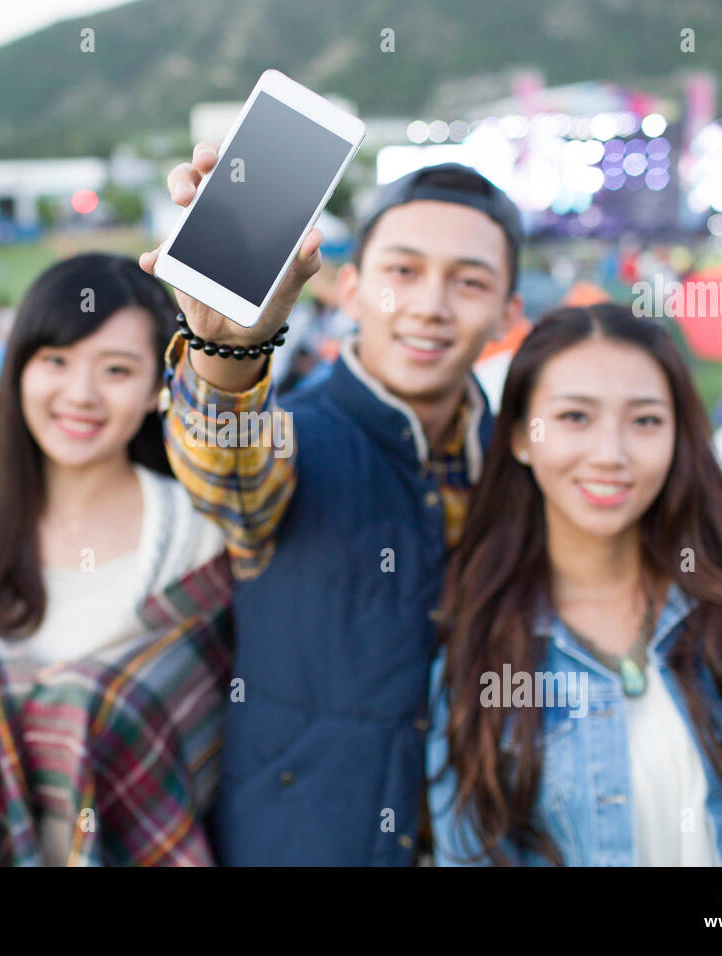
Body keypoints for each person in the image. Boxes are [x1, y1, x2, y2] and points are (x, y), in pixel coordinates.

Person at [139, 146, 525, 864]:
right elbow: (228, 468)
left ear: (509, 312)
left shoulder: (527, 463)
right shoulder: (296, 435)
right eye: (402, 272)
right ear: (348, 288)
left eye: (469, 282)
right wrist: (229, 348)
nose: (430, 306)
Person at [427, 303, 722, 865]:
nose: (611, 455)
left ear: (678, 434)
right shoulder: (477, 615)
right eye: (575, 417)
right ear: (523, 436)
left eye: (645, 420)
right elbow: (470, 849)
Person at [0, 253, 231, 866]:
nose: (81, 395)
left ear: (159, 388)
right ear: (18, 369)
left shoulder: (194, 535)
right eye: (56, 361)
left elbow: (206, 756)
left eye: (117, 369)